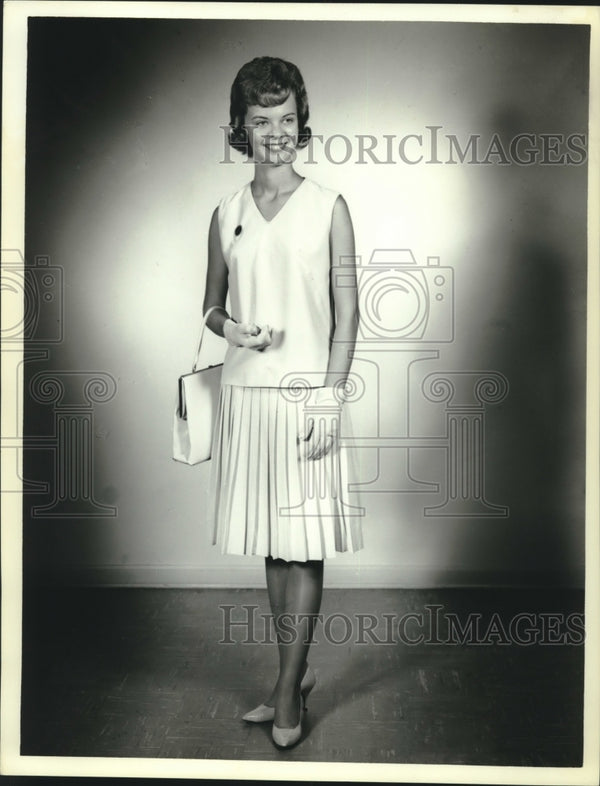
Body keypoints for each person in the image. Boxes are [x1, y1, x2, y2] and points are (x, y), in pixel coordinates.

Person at [203, 56, 363, 749]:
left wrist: (330, 398)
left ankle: (289, 694)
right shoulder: (226, 212)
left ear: (303, 126)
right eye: (261, 120)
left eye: (287, 120)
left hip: (307, 401)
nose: (276, 133)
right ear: (240, 127)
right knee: (274, 547)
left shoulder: (330, 206)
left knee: (304, 549)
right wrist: (232, 327)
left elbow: (349, 313)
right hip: (249, 396)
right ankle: (288, 677)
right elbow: (209, 307)